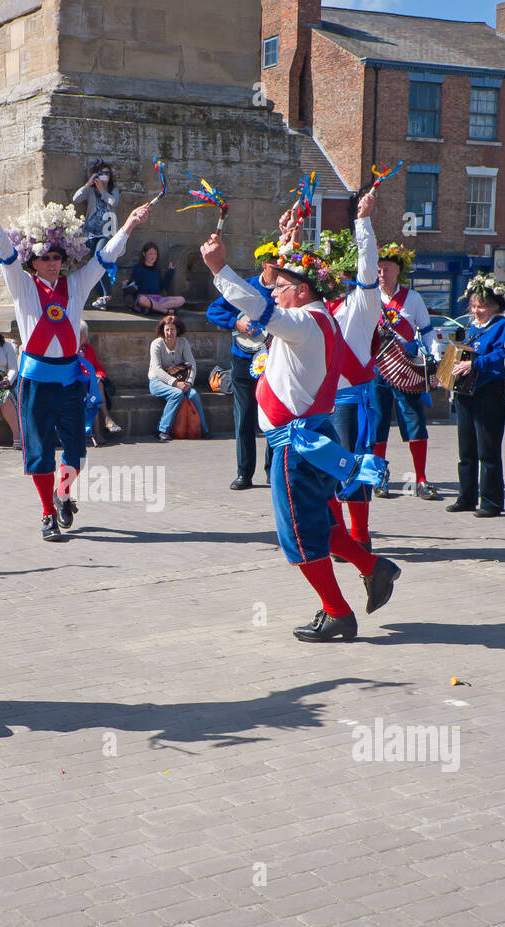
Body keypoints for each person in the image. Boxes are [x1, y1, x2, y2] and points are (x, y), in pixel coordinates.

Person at [201, 214, 399, 642]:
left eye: (281, 286)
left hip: (297, 445)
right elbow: (260, 307)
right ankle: (373, 566)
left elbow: (259, 308)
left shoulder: (306, 323)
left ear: (302, 290)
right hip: (308, 439)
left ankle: (337, 612)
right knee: (318, 523)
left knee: (297, 533)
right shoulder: (315, 321)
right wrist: (285, 242)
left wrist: (219, 269)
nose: (273, 290)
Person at [0, 193, 150, 541]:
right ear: (33, 262)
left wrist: (128, 224)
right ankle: (47, 513)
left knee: (76, 450)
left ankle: (64, 494)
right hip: (35, 383)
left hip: (69, 380)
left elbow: (104, 257)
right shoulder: (22, 286)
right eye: (45, 257)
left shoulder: (76, 285)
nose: (53, 262)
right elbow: (7, 254)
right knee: (39, 451)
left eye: (58, 256)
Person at [316, 199, 381, 551]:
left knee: (354, 467)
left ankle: (360, 536)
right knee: (325, 467)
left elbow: (368, 267)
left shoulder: (364, 303)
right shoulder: (321, 308)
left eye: (338, 272)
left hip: (350, 401)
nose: (332, 277)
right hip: (319, 402)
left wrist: (364, 223)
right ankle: (338, 534)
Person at [371, 242, 439, 500]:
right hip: (376, 369)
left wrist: (433, 357)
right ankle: (379, 477)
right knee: (377, 422)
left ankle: (420, 479)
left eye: (386, 269)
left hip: (405, 370)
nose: (381, 275)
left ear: (398, 271)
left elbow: (427, 330)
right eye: (378, 270)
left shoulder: (413, 298)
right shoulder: (369, 297)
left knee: (414, 421)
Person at [446, 274, 505, 518]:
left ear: (496, 305)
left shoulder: (503, 325)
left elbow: (503, 355)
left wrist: (476, 364)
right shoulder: (472, 326)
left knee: (488, 450)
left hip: (489, 392)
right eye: (474, 306)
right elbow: (462, 352)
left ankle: (491, 502)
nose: (476, 311)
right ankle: (466, 497)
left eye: (482, 306)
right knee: (466, 449)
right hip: (466, 391)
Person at [207, 272, 273, 489]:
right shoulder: (245, 286)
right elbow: (214, 310)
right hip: (243, 359)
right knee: (244, 416)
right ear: (264, 264)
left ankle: (273, 471)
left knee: (274, 418)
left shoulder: (284, 288)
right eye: (273, 263)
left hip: (273, 360)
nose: (277, 267)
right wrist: (236, 323)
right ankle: (244, 473)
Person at [148, 314, 209, 442]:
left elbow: (191, 364)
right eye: (167, 329)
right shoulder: (156, 344)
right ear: (162, 330)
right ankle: (162, 430)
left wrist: (188, 383)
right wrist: (175, 383)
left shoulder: (183, 342)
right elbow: (157, 369)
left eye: (172, 329)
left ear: (178, 330)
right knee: (176, 394)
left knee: (193, 395)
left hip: (180, 380)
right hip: (157, 381)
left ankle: (203, 429)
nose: (170, 333)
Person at [73, 160, 119, 310]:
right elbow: (76, 199)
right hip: (91, 232)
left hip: (106, 231)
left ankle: (107, 294)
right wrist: (88, 184)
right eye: (101, 173)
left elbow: (114, 202)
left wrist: (103, 192)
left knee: (101, 256)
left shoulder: (113, 190)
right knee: (94, 262)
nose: (104, 176)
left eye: (107, 173)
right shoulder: (91, 190)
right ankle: (102, 297)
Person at [78, 321, 122, 442]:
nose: (80, 337)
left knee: (96, 388)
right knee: (94, 393)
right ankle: (106, 421)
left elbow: (97, 366)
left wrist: (99, 375)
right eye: (77, 333)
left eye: (82, 334)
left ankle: (97, 434)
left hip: (91, 384)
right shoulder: (69, 350)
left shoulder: (88, 349)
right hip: (77, 384)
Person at [130, 242, 185, 315]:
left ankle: (154, 309)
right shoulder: (138, 268)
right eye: (150, 253)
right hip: (146, 298)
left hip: (157, 299)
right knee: (142, 300)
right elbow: (133, 285)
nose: (153, 256)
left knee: (181, 299)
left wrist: (170, 272)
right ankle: (165, 311)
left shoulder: (157, 270)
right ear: (144, 254)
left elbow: (161, 287)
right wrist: (127, 284)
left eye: (155, 254)